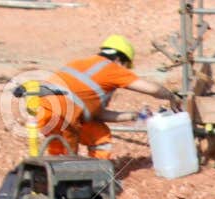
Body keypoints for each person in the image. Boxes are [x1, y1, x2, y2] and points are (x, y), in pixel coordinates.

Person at [33, 35, 181, 161]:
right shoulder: (112, 68)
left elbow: (97, 115)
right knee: (68, 162)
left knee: (97, 133)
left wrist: (134, 115)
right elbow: (153, 89)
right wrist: (171, 96)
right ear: (119, 59)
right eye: (125, 66)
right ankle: (87, 181)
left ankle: (62, 179)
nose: (125, 70)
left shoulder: (79, 63)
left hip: (45, 111)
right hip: (65, 115)